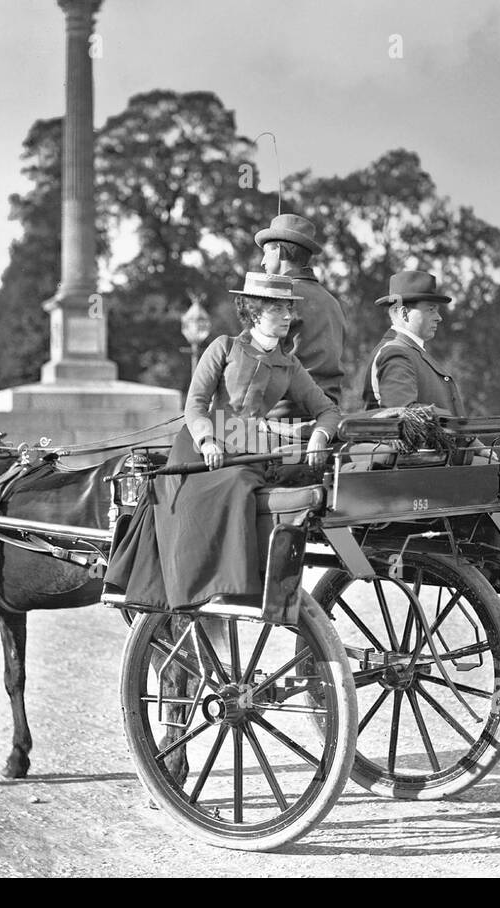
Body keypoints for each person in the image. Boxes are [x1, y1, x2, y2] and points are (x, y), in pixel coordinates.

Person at [105, 272, 340, 611]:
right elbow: (194, 405)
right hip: (203, 445)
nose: (288, 316)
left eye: (289, 308)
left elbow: (328, 410)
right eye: (278, 309)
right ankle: (197, 582)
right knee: (231, 484)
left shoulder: (289, 365)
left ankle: (231, 585)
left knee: (243, 482)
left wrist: (320, 434)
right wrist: (208, 441)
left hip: (248, 446)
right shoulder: (224, 347)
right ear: (255, 312)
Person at [255, 213, 347, 414]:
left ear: (279, 251)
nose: (262, 262)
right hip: (328, 411)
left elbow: (253, 365)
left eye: (266, 253)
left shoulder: (278, 298)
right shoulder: (333, 302)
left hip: (284, 412)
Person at [361, 270, 466, 416]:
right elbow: (404, 415)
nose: (439, 318)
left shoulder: (408, 351)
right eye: (431, 309)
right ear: (404, 313)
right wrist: (456, 426)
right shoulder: (395, 352)